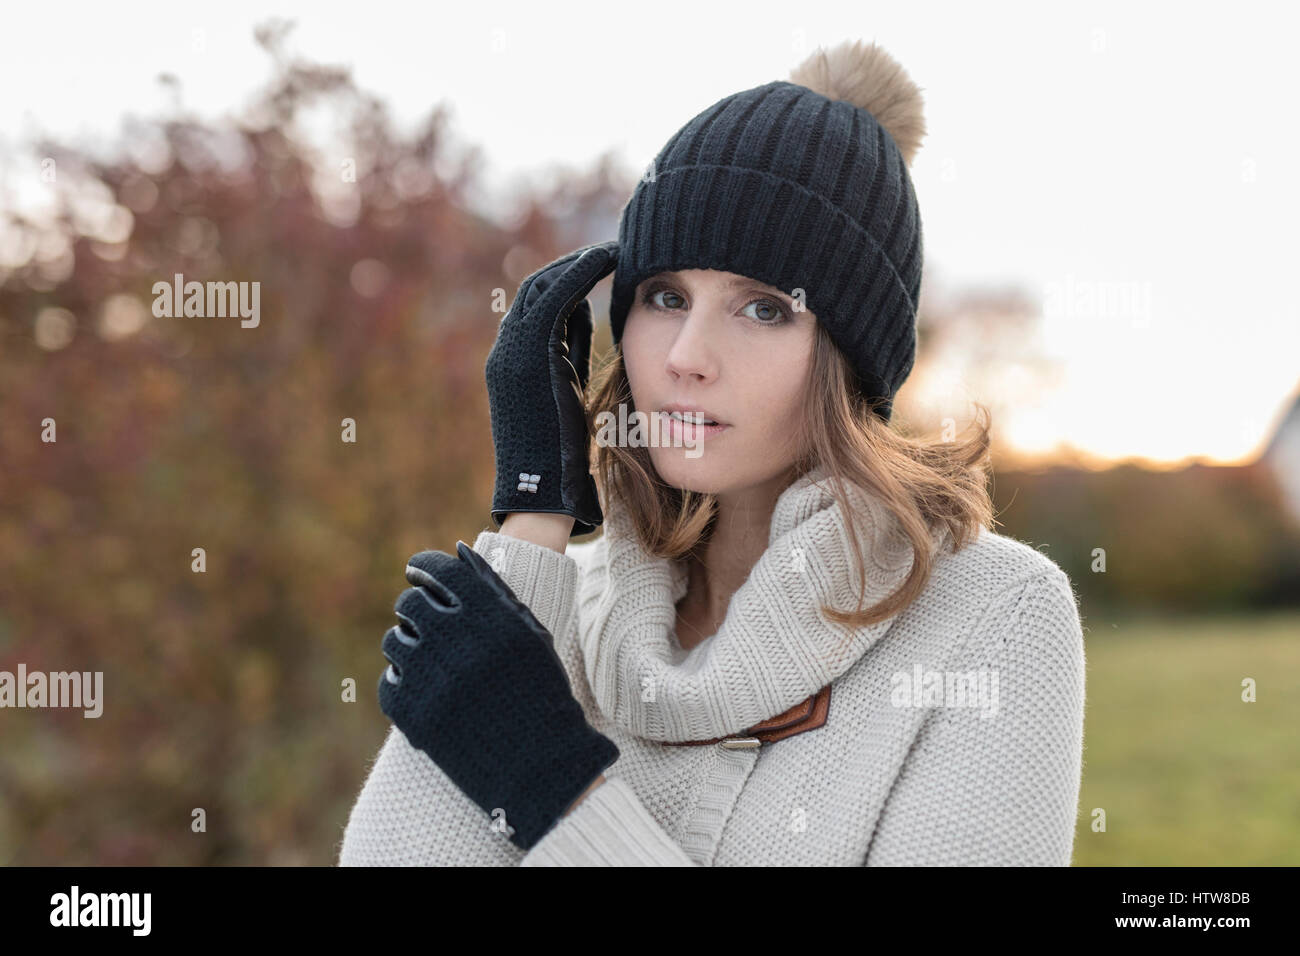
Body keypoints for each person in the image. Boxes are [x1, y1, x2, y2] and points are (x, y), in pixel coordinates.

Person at [337, 38, 1086, 866]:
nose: (685, 354)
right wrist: (532, 515)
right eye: (665, 297)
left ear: (851, 358)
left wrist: (553, 789)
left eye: (763, 309)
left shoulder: (993, 618)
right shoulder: (568, 609)